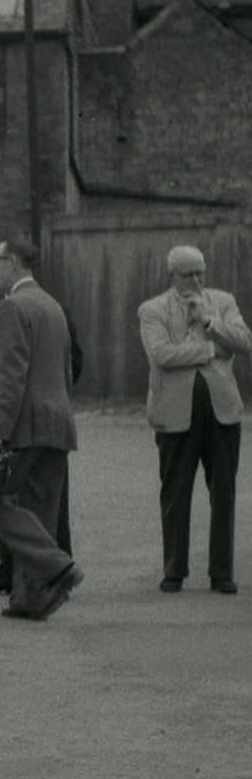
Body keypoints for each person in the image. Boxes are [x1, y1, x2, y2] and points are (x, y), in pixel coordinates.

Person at [138, 243, 250, 594]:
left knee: (224, 492)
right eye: (188, 274)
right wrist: (210, 350)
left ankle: (222, 572)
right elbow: (161, 354)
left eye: (201, 271)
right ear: (173, 276)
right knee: (175, 491)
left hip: (222, 412)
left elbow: (245, 341)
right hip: (175, 413)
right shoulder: (153, 309)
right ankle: (174, 569)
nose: (197, 280)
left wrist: (209, 323)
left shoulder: (223, 301)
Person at [0, 238, 82, 620]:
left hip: (27, 425)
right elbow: (67, 372)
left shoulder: (12, 308)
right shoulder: (52, 305)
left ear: (15, 262)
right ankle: (31, 599)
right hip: (58, 422)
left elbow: (10, 379)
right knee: (37, 511)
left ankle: (58, 566)